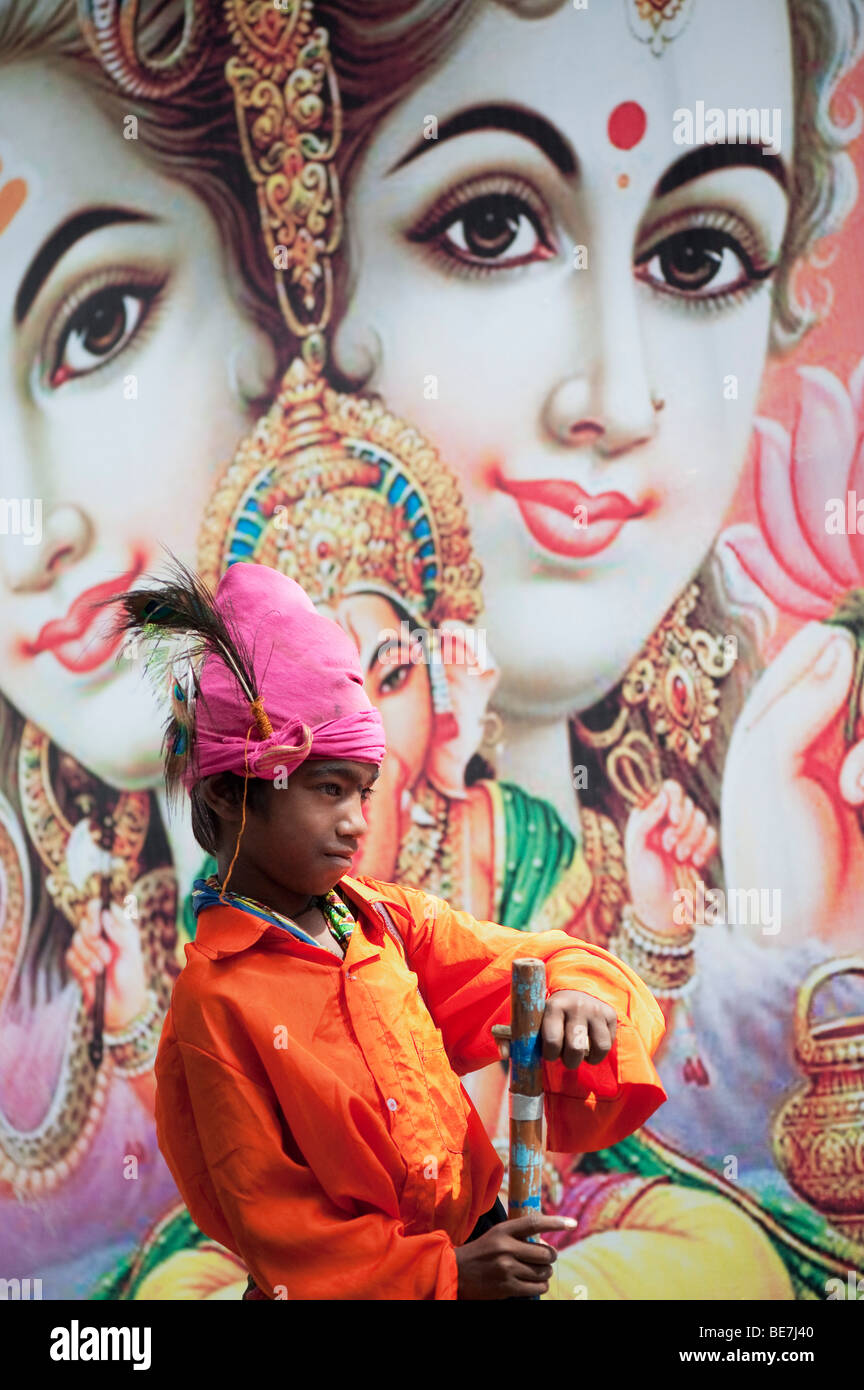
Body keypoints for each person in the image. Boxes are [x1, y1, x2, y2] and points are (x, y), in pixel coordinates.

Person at [116, 554, 668, 1299]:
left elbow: (533, 961)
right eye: (329, 790)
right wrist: (446, 1277)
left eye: (364, 791)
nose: (356, 823)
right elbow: (283, 1230)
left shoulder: (382, 922)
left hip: (478, 1248)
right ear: (230, 794)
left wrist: (577, 998)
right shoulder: (215, 1004)